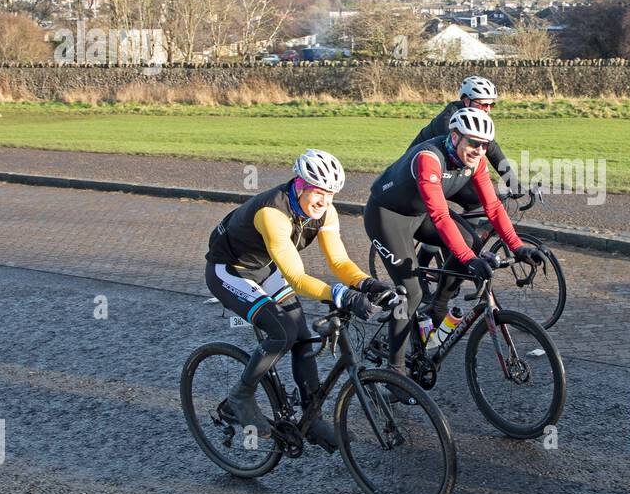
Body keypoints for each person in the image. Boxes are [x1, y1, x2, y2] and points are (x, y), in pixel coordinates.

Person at [205, 149, 395, 444]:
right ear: (300, 184)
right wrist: (340, 295)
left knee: (303, 337)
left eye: (331, 194)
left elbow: (339, 262)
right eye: (319, 192)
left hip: (266, 270)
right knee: (282, 332)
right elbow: (296, 277)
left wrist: (368, 284)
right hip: (231, 271)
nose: (325, 201)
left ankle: (312, 418)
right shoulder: (273, 213)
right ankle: (240, 397)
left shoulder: (325, 211)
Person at [364, 108, 545, 376]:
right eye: (473, 142)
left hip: (418, 214)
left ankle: (438, 304)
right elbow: (439, 214)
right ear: (455, 135)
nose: (479, 150)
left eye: (484, 145)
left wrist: (518, 246)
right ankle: (395, 371)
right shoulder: (429, 158)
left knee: (471, 240)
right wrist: (469, 261)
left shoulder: (477, 162)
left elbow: (493, 208)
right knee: (410, 293)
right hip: (387, 216)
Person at [408, 75, 525, 262]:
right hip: (423, 174)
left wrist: (512, 181)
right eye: (483, 104)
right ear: (466, 101)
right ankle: (429, 260)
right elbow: (461, 161)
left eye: (491, 105)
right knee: (441, 217)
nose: (487, 110)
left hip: (448, 172)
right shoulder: (450, 122)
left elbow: (492, 149)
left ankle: (457, 247)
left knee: (476, 202)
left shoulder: (475, 121)